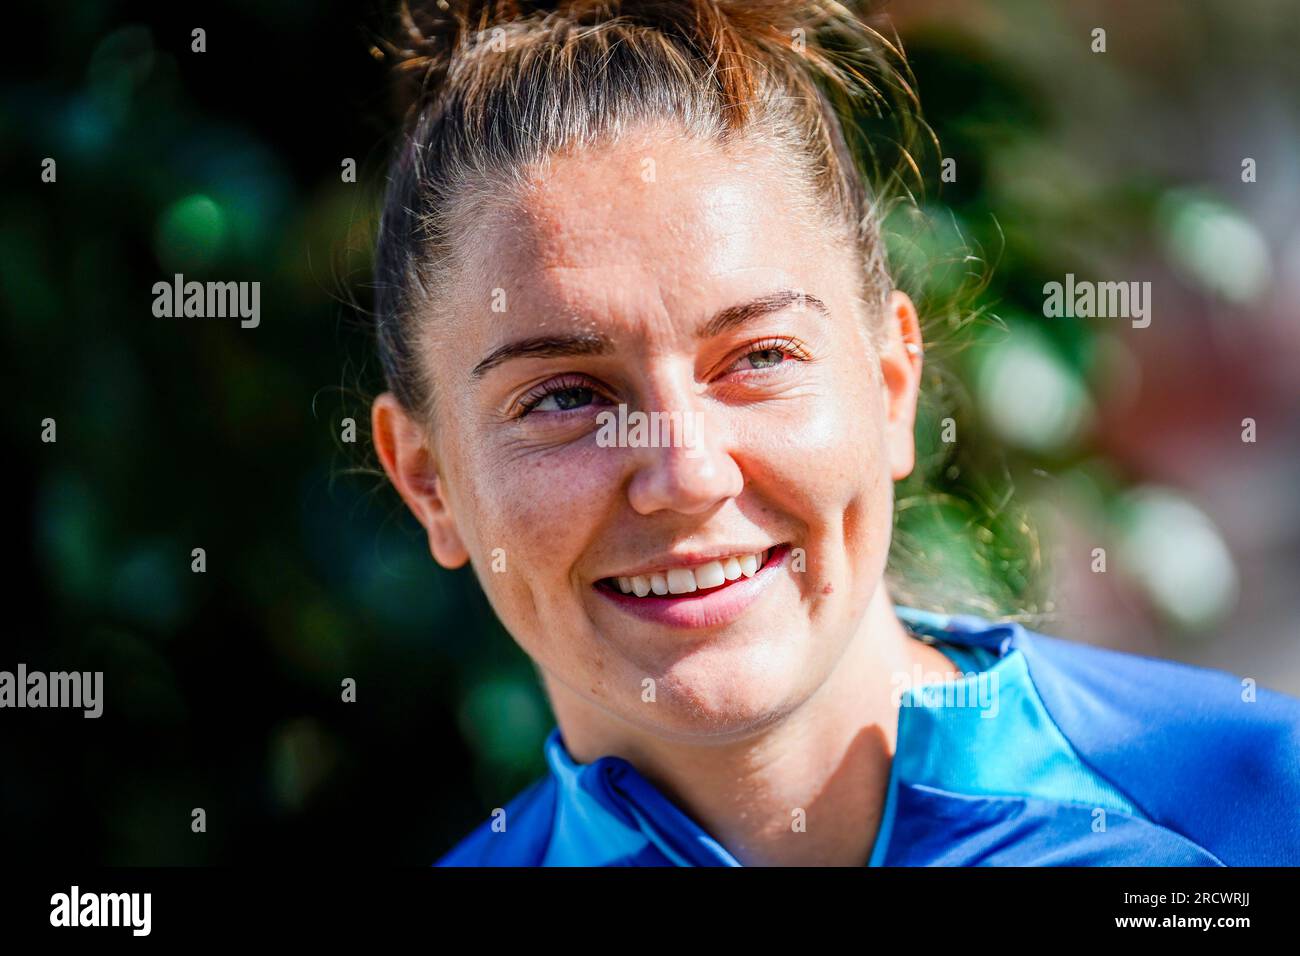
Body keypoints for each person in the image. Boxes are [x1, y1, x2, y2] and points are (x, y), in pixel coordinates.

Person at [366, 0, 1300, 866]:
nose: (687, 472)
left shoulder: (1250, 816)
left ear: (894, 384)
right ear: (429, 482)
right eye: (565, 397)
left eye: (760, 356)